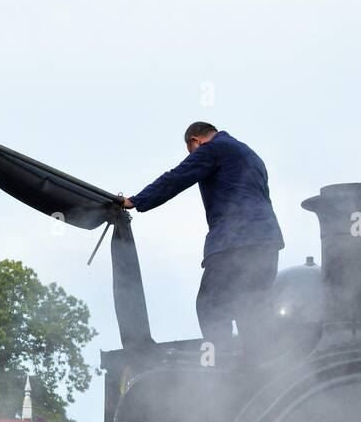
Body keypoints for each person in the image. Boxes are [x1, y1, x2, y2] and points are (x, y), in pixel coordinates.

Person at [122, 123, 284, 361]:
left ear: (195, 141)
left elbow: (176, 178)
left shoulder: (212, 149)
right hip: (267, 241)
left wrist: (136, 200)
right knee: (251, 307)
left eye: (191, 151)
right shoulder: (250, 155)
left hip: (234, 240)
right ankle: (259, 369)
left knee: (211, 304)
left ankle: (222, 365)